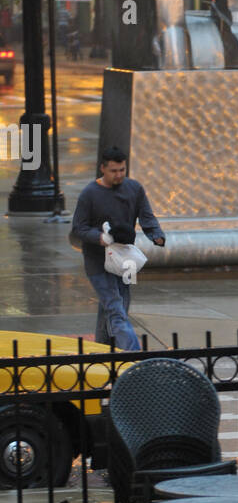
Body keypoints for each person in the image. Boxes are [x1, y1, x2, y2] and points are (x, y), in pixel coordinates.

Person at [71, 147, 165, 352]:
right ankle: (133, 356)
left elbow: (146, 216)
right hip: (97, 261)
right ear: (102, 168)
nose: (119, 175)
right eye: (114, 171)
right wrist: (100, 238)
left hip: (127, 259)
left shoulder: (134, 188)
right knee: (116, 309)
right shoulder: (89, 194)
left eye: (122, 170)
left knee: (117, 306)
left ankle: (103, 350)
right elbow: (78, 228)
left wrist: (156, 234)